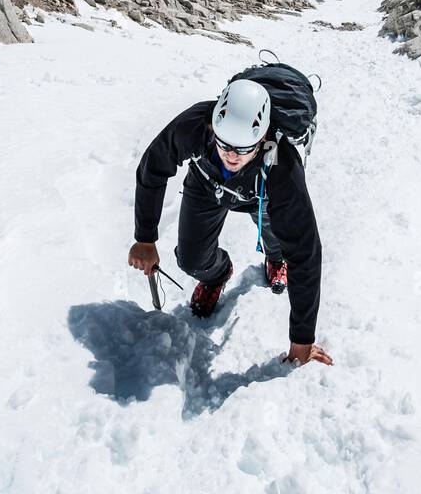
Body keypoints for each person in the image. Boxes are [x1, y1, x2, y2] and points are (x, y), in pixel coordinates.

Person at [128, 77, 333, 366]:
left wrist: (302, 340)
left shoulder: (281, 167)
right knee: (190, 260)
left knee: (280, 241)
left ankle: (275, 259)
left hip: (260, 193)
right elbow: (153, 167)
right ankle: (217, 274)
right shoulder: (196, 124)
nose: (231, 156)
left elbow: (306, 252)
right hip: (206, 186)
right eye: (224, 144)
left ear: (262, 139)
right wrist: (145, 238)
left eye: (243, 148)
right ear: (213, 127)